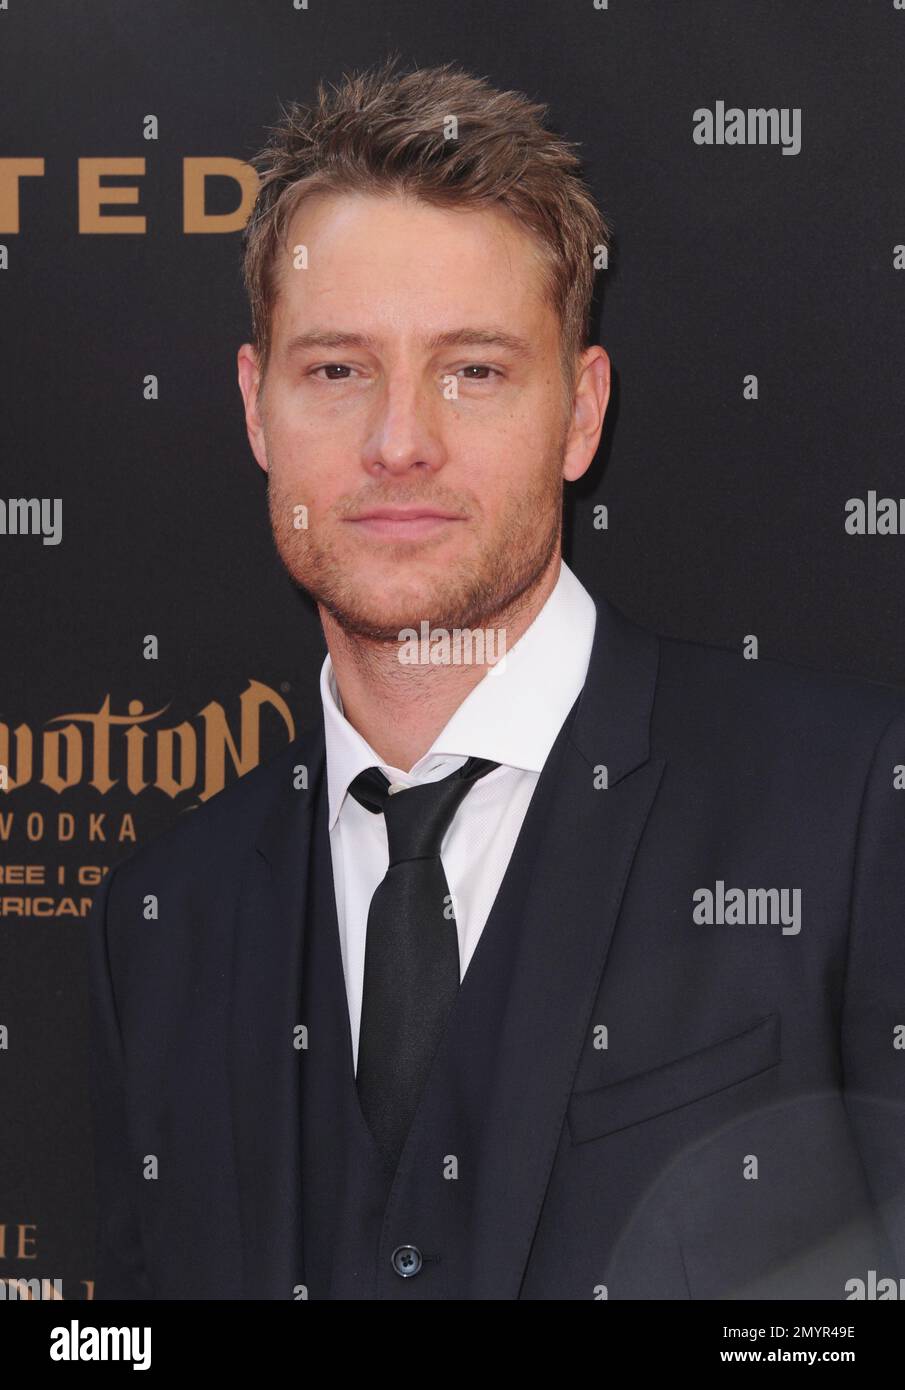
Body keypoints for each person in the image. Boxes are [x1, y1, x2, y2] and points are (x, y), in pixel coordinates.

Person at [86, 55, 905, 1300]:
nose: (399, 440)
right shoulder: (163, 924)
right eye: (335, 370)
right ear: (257, 411)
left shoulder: (849, 813)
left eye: (472, 369)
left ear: (579, 414)